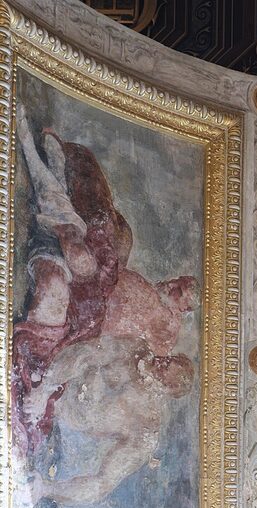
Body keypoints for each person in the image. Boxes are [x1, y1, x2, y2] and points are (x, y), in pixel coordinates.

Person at [12, 109, 198, 454]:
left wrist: (45, 390)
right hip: (100, 289)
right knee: (107, 229)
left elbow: (89, 355)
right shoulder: (154, 326)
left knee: (81, 251)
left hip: (88, 318)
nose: (172, 285)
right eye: (177, 282)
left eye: (179, 291)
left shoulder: (149, 351)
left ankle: (39, 158)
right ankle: (54, 164)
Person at [21, 335, 194, 505]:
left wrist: (46, 489)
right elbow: (85, 353)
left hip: (56, 428)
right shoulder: (136, 349)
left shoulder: (146, 429)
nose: (159, 361)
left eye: (163, 370)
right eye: (167, 360)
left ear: (167, 389)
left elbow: (102, 482)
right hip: (48, 381)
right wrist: (45, 388)